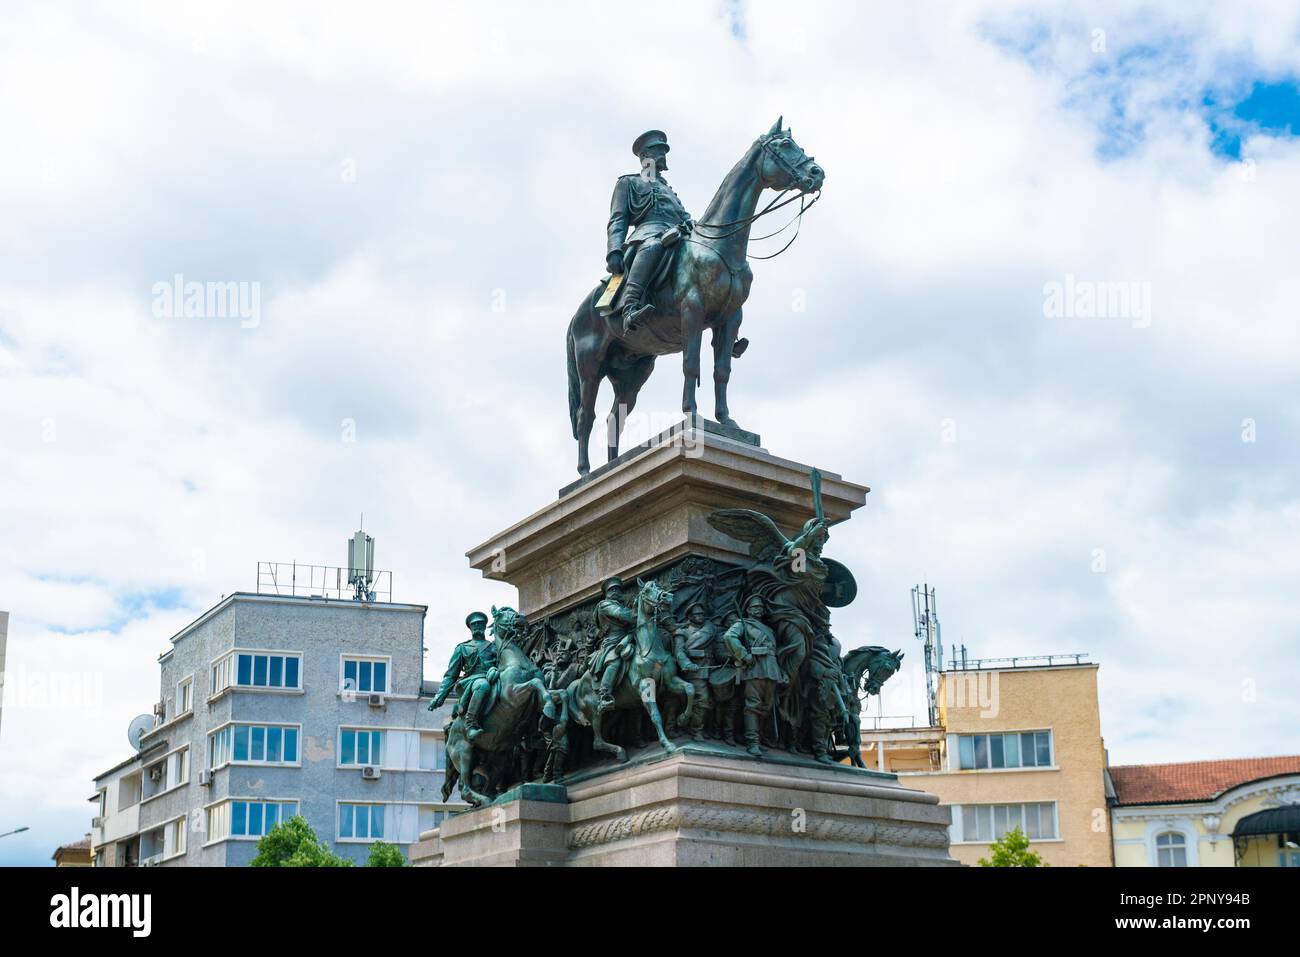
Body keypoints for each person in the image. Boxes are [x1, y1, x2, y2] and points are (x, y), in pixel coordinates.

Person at [605, 130, 694, 334]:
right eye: (657, 151)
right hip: (647, 234)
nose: (662, 155)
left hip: (678, 234)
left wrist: (692, 225)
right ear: (644, 156)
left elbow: (683, 215)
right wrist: (614, 251)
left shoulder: (668, 189)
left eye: (664, 151)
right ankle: (630, 308)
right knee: (653, 246)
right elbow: (618, 219)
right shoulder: (628, 183)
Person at [720, 595, 787, 757]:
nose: (758, 610)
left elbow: (774, 652)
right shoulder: (742, 624)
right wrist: (743, 655)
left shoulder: (769, 629)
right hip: (754, 667)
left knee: (767, 706)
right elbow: (729, 636)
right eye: (755, 607)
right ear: (748, 610)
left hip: (771, 668)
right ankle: (752, 742)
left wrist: (781, 671)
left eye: (760, 608)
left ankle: (760, 738)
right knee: (753, 705)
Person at [429, 611, 498, 738]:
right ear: (470, 628)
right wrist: (439, 696)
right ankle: (470, 724)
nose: (477, 626)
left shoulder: (494, 646)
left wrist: (495, 669)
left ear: (485, 626)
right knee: (482, 685)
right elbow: (451, 675)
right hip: (472, 680)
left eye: (480, 624)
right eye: (474, 624)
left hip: (493, 677)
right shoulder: (462, 648)